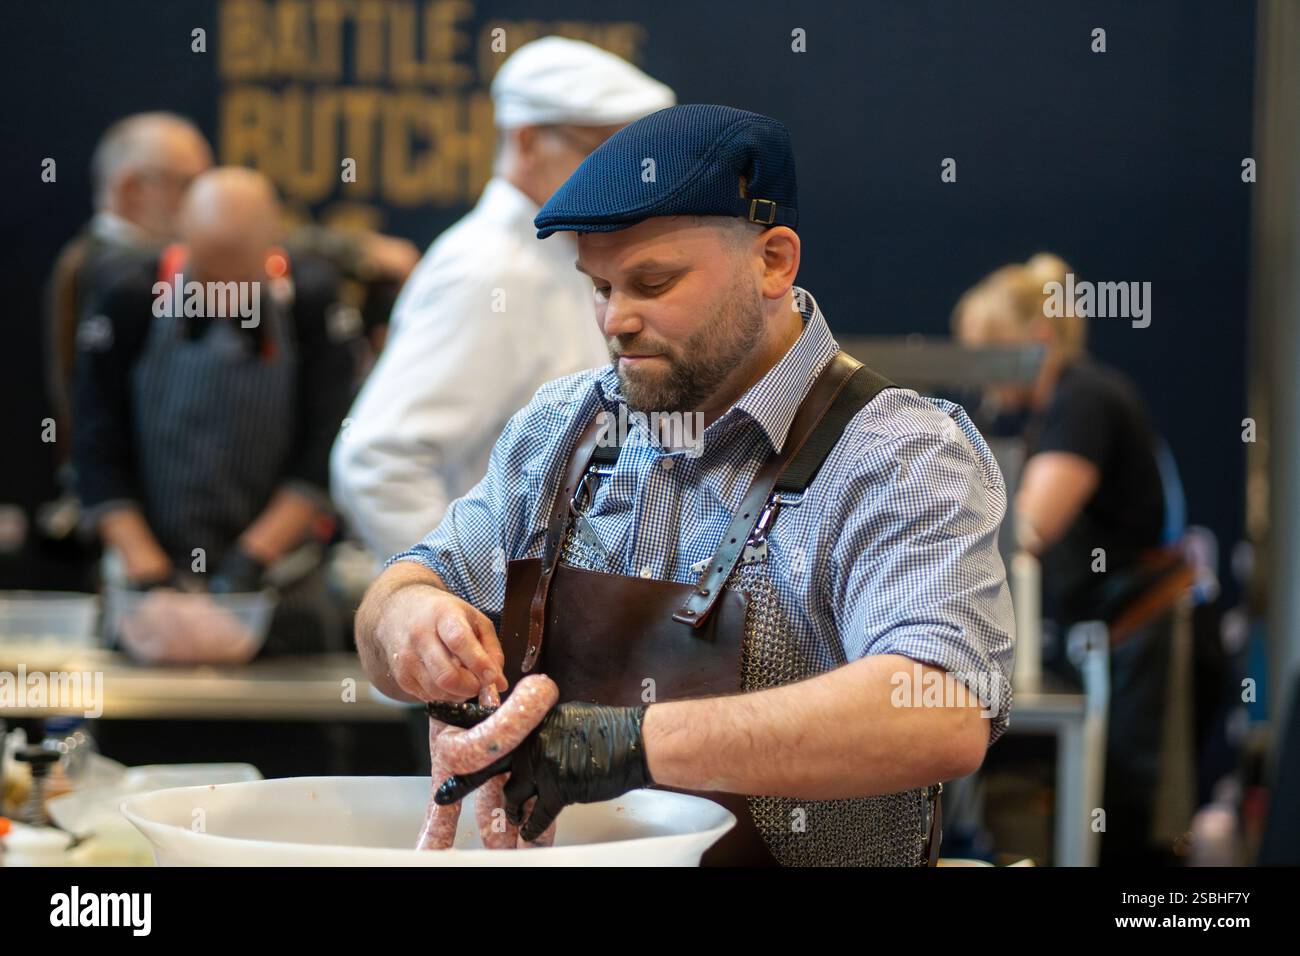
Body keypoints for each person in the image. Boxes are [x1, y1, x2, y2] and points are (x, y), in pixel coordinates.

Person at [354, 105, 1015, 866]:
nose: (616, 321)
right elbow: (404, 584)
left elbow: (942, 710)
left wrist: (631, 742)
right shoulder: (563, 427)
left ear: (773, 260)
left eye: (653, 282)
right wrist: (408, 621)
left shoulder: (898, 456)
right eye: (599, 286)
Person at [331, 37, 675, 560]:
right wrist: (462, 605)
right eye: (601, 150)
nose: (626, 174)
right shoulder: (491, 270)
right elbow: (377, 461)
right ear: (529, 141)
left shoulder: (560, 257)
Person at [73, 167, 355, 655]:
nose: (223, 291)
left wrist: (247, 564)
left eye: (239, 276)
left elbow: (326, 447)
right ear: (182, 237)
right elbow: (96, 445)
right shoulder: (130, 296)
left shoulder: (311, 301)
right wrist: (153, 579)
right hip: (151, 589)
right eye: (208, 272)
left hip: (281, 588)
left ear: (274, 246)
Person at [953, 254, 1176, 864]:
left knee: (1128, 828)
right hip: (1108, 641)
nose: (983, 376)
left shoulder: (1084, 401)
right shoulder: (1056, 411)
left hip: (1135, 647)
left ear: (1038, 338)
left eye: (991, 352)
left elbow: (1026, 527)